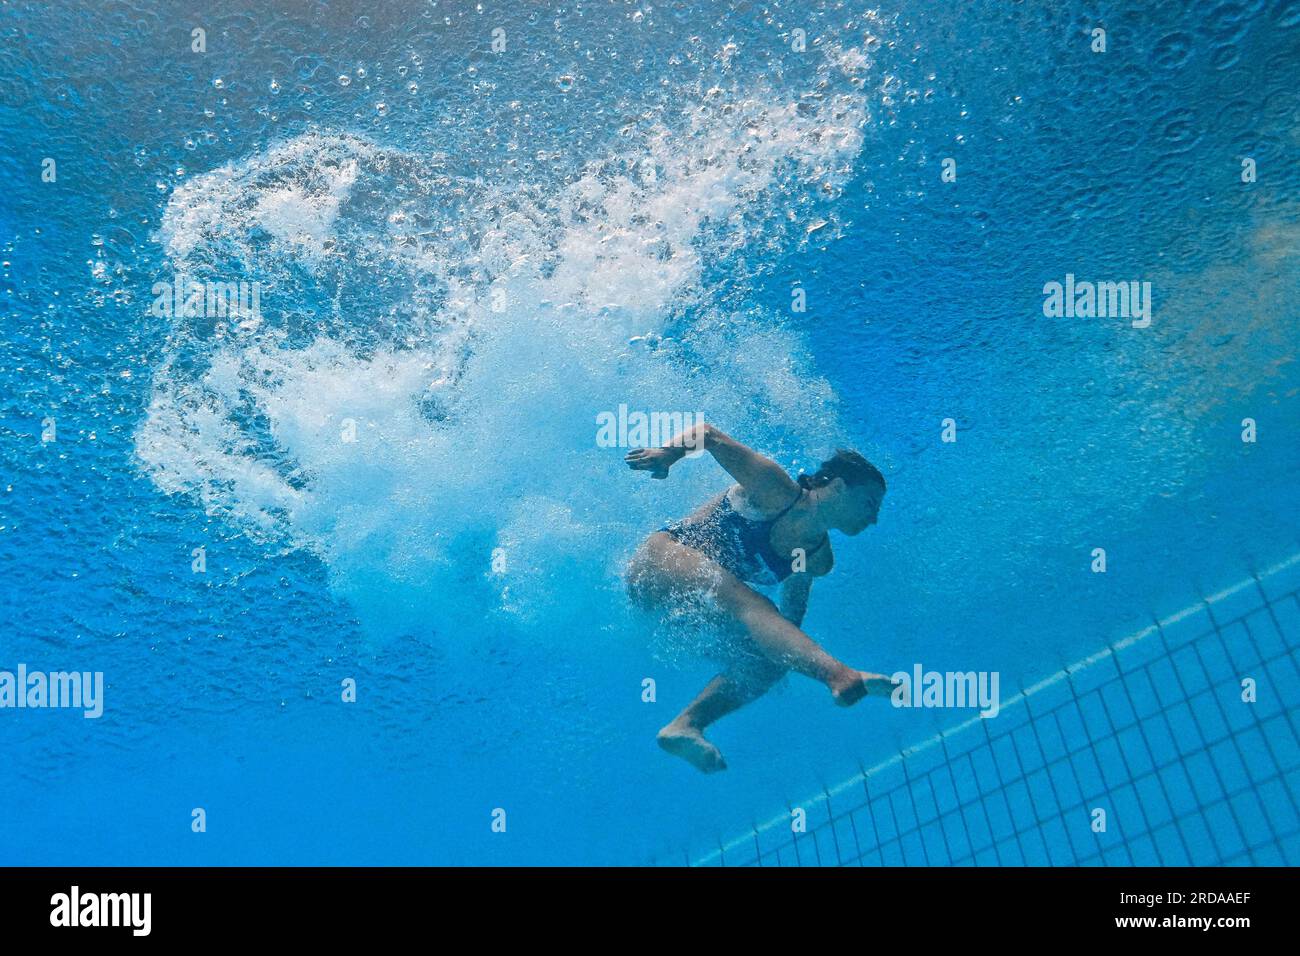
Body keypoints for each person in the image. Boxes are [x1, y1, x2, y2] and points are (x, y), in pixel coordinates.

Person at [625, 422, 895, 772]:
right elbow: (708, 434)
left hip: (681, 607)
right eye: (870, 504)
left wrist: (785, 656)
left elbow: (788, 625)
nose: (873, 519)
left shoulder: (816, 558)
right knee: (749, 604)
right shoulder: (774, 489)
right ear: (840, 487)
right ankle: (839, 675)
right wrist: (667, 454)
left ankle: (686, 725)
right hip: (658, 563)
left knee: (771, 660)